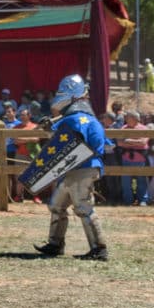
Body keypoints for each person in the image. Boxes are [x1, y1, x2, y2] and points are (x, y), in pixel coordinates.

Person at [32, 74, 111, 261]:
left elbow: (66, 141)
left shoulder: (74, 119)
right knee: (56, 205)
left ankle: (99, 249)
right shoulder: (91, 121)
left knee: (83, 207)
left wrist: (50, 130)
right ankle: (55, 244)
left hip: (81, 168)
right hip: (75, 170)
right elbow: (105, 145)